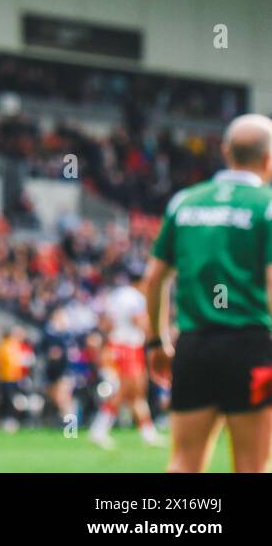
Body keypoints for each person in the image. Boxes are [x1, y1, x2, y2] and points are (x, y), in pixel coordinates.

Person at [143, 113, 272, 473]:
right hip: (251, 347)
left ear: (227, 151)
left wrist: (156, 342)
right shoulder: (267, 206)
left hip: (193, 346)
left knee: (183, 461)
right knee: (252, 465)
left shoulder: (184, 202)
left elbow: (154, 279)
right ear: (268, 159)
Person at [89, 274, 161, 449]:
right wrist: (158, 333)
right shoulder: (136, 297)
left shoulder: (115, 295)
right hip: (129, 346)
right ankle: (99, 429)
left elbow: (106, 323)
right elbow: (137, 320)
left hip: (118, 345)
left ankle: (148, 433)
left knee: (137, 391)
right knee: (128, 389)